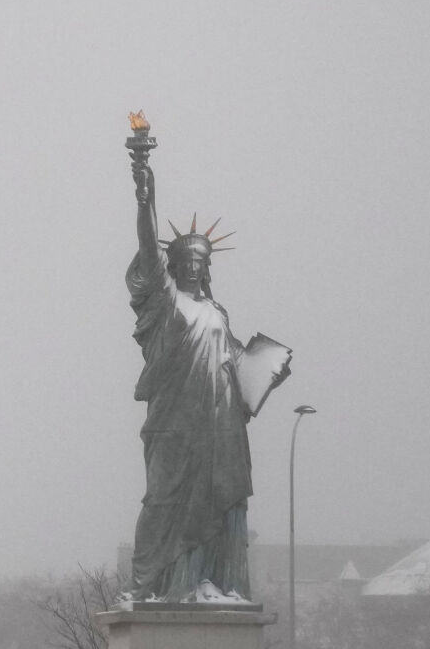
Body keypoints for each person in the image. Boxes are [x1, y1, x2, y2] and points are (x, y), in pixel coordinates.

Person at [124, 150, 284, 602]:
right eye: (186, 258)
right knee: (165, 500)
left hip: (220, 423)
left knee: (220, 497)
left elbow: (235, 361)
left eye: (200, 258)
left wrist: (267, 370)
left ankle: (211, 579)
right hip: (176, 422)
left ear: (207, 264)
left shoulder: (216, 311)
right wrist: (145, 198)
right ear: (173, 265)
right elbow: (146, 246)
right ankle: (160, 582)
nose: (194, 264)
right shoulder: (165, 303)